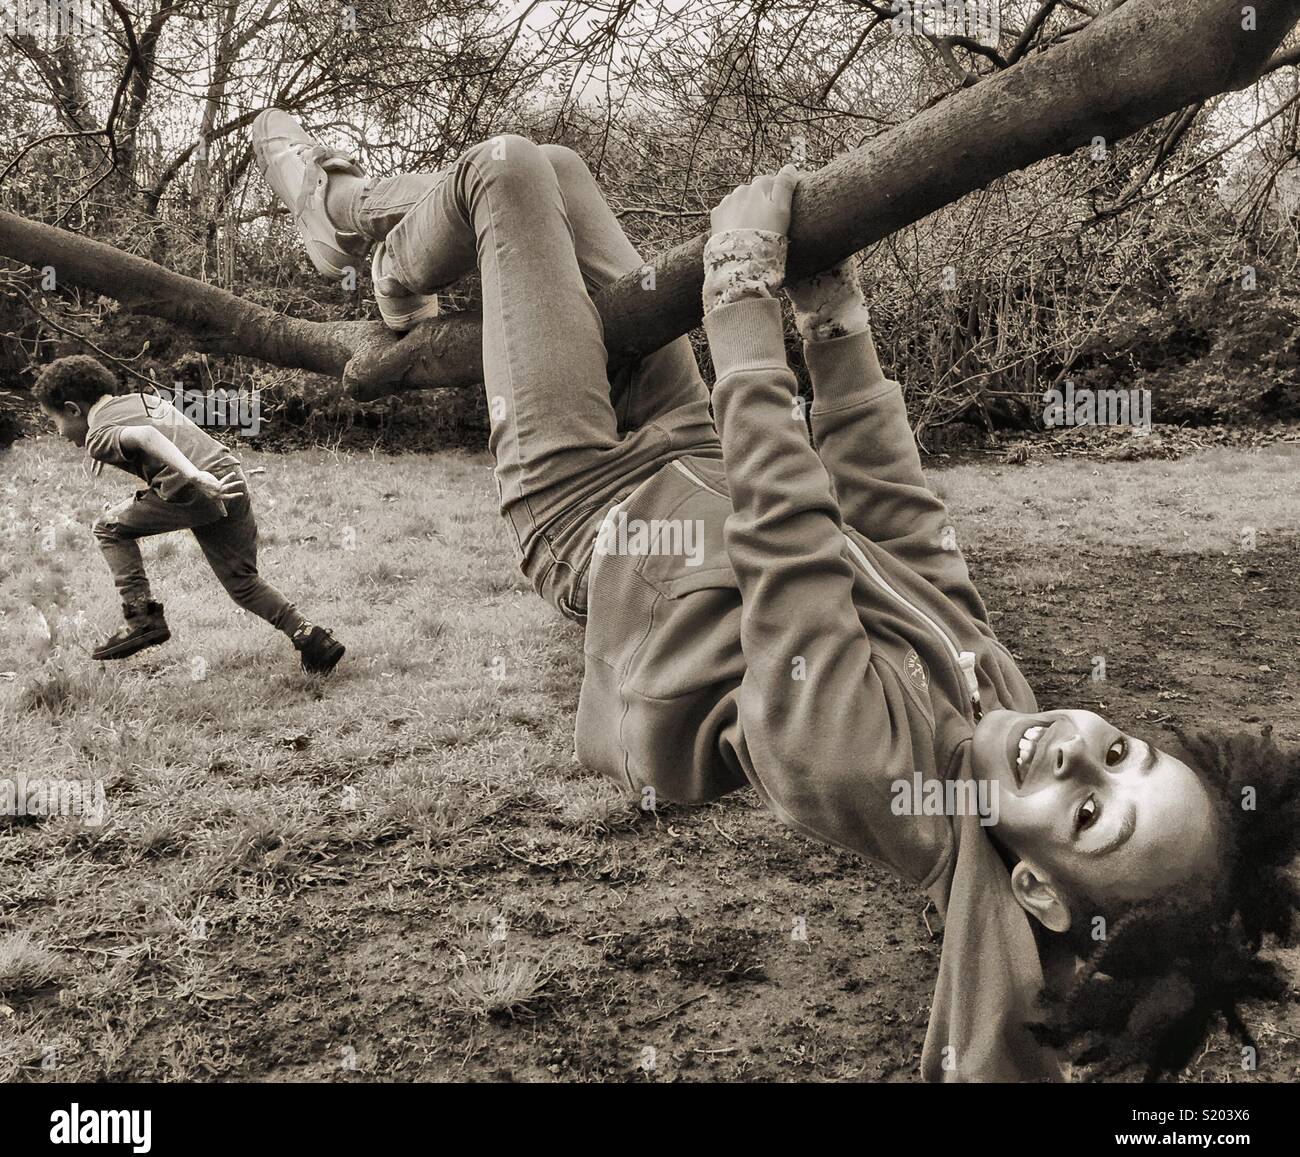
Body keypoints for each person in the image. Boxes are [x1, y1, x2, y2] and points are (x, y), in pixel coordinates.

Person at [253, 111, 1300, 1081]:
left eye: (1084, 813)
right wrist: (836, 327)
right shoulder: (993, 709)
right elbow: (902, 525)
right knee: (563, 171)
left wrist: (742, 295)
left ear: (1032, 884)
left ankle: (356, 234)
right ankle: (382, 247)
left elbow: (790, 542)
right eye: (1123, 755)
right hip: (687, 454)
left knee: (507, 170)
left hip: (582, 507)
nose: (1078, 753)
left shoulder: (861, 768)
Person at [34, 354, 345, 674]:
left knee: (108, 528)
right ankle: (313, 640)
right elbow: (157, 429)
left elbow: (146, 436)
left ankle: (142, 618)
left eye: (53, 419)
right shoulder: (138, 400)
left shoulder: (99, 435)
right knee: (242, 581)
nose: (57, 431)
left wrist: (193, 475)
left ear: (74, 409)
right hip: (228, 477)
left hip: (194, 489)